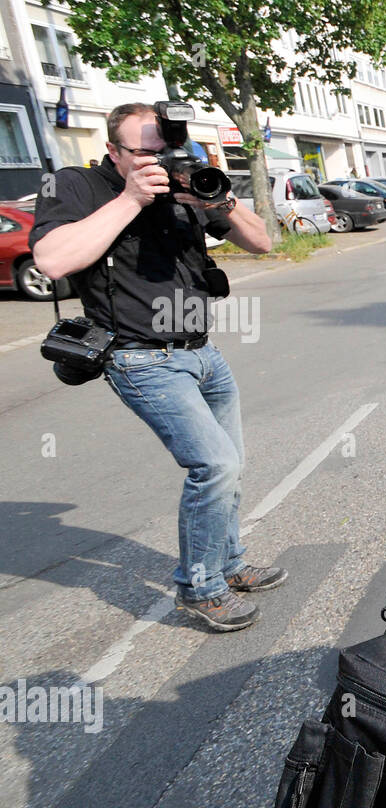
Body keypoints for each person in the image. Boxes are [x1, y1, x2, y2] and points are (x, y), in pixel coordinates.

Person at [31, 103, 283, 631]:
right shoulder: (76, 184)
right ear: (113, 152)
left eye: (165, 152)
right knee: (214, 465)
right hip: (141, 357)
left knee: (231, 466)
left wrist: (220, 199)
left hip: (203, 353)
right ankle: (199, 587)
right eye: (144, 153)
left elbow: (262, 242)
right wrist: (131, 198)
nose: (159, 163)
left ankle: (230, 564)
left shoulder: (183, 184)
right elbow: (53, 261)